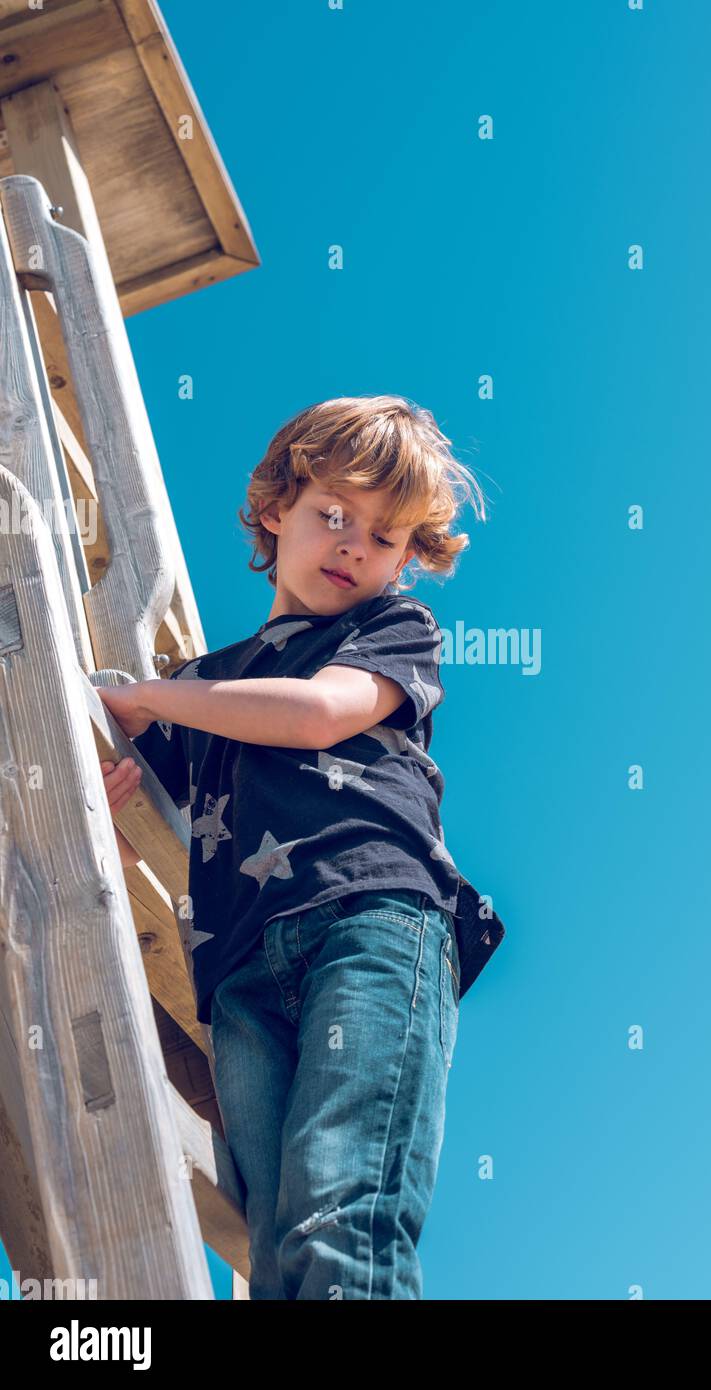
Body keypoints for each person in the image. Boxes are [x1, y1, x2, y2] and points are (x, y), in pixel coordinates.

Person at [97, 395, 506, 1299]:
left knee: (338, 1210)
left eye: (387, 536)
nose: (356, 546)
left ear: (408, 560)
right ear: (276, 508)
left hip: (370, 923)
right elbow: (132, 803)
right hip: (239, 971)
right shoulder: (205, 683)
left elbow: (320, 714)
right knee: (277, 1246)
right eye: (335, 514)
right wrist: (106, 804)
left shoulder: (390, 633)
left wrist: (151, 697)